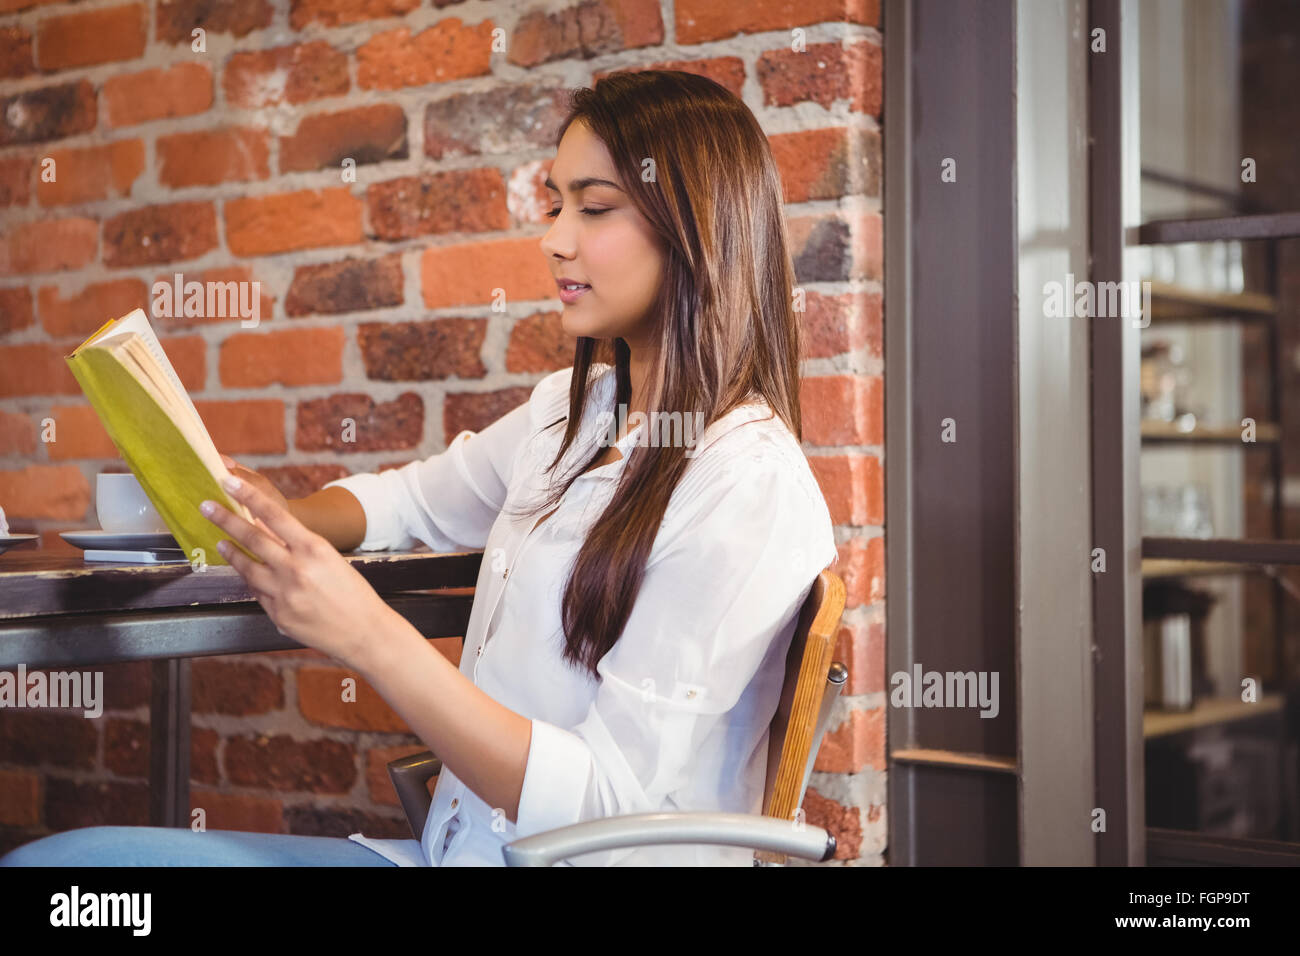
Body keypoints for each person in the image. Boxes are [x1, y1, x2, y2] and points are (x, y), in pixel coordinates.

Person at [0, 69, 837, 868]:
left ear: (696, 227)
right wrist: (256, 509)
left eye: (595, 207)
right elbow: (414, 502)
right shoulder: (572, 413)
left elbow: (604, 802)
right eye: (555, 204)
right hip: (452, 850)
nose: (553, 239)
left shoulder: (747, 485)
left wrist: (364, 633)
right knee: (64, 866)